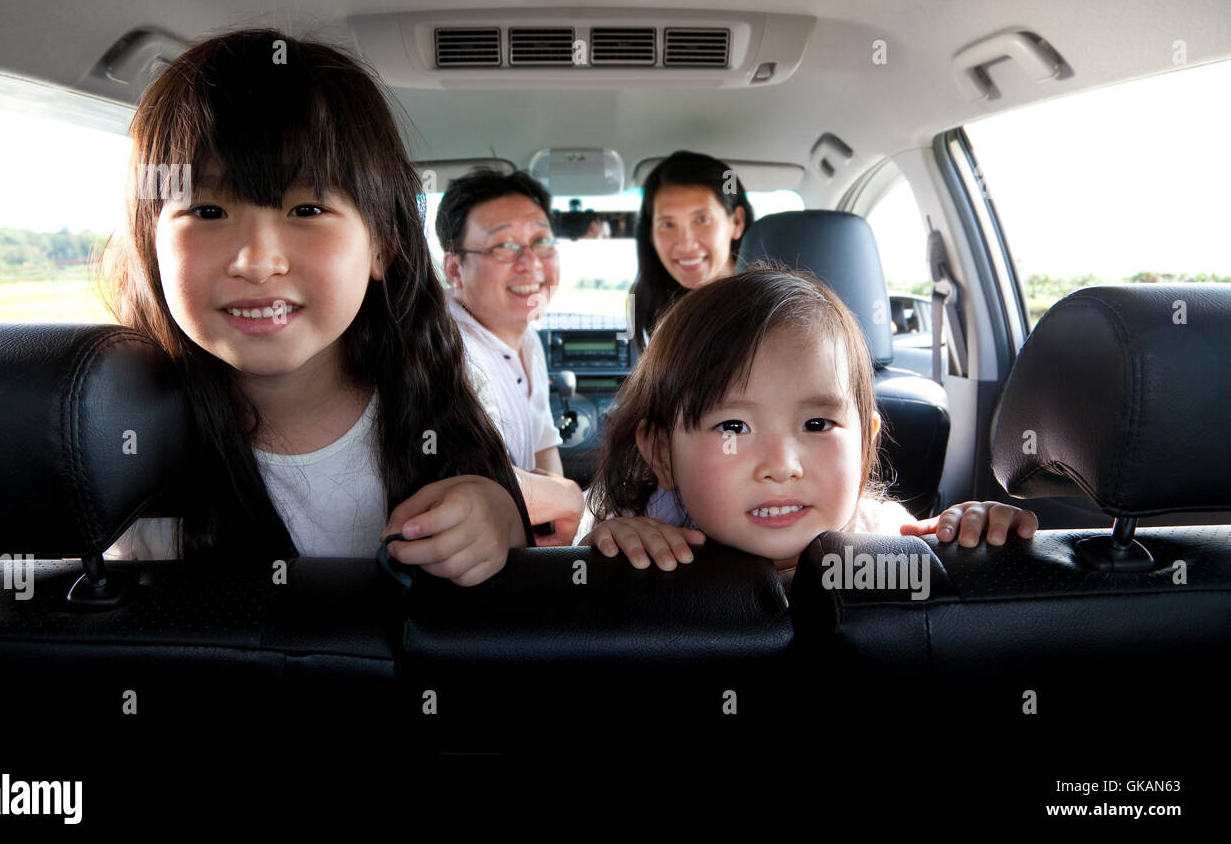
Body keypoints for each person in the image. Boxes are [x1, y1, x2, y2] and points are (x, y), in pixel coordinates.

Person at [100, 29, 532, 586]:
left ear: (382, 244)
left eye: (306, 208)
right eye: (207, 211)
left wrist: (500, 518)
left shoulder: (442, 402)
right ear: (149, 244)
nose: (257, 263)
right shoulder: (121, 448)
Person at [581, 267, 1038, 584]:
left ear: (864, 447)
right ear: (662, 453)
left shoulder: (888, 541)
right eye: (734, 427)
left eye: (817, 423)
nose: (782, 466)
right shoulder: (647, 534)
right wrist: (606, 549)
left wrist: (970, 541)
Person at [435, 168, 584, 546]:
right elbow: (477, 491)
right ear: (455, 269)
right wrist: (571, 500)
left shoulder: (528, 339)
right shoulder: (446, 354)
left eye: (541, 241)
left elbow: (543, 445)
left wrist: (561, 547)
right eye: (504, 246)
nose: (531, 263)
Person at [628, 151, 756, 351]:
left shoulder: (769, 310)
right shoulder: (650, 303)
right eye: (668, 224)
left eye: (702, 219)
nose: (685, 244)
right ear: (651, 235)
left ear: (736, 222)